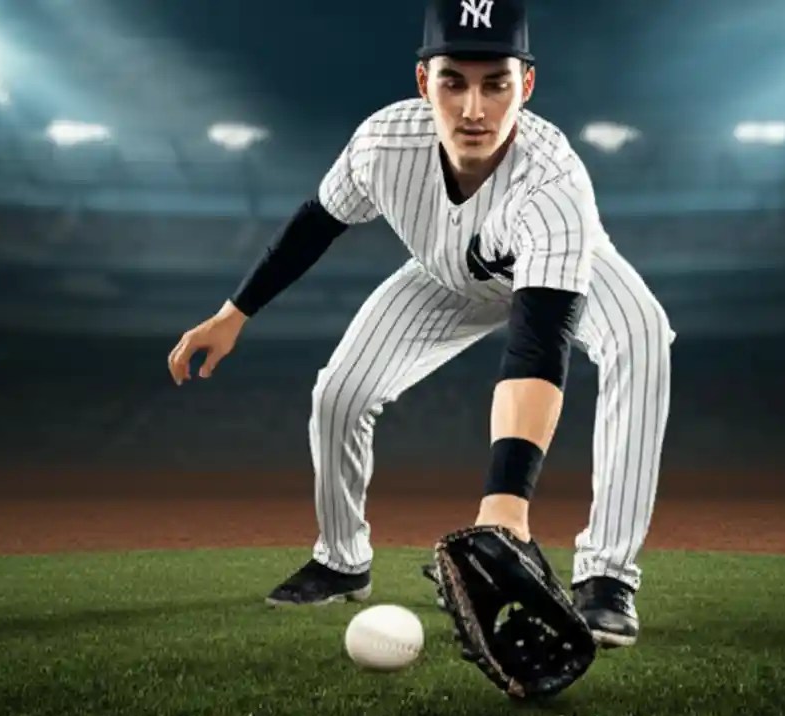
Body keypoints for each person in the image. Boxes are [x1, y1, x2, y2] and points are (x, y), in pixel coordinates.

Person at [167, 0, 674, 649]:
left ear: (526, 84)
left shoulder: (554, 184)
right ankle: (342, 561)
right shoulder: (385, 142)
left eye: (495, 83)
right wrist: (233, 313)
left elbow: (537, 341)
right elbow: (317, 223)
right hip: (445, 279)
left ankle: (606, 578)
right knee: (339, 394)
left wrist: (504, 505)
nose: (473, 108)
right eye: (453, 80)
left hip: (567, 271)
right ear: (421, 82)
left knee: (642, 335)